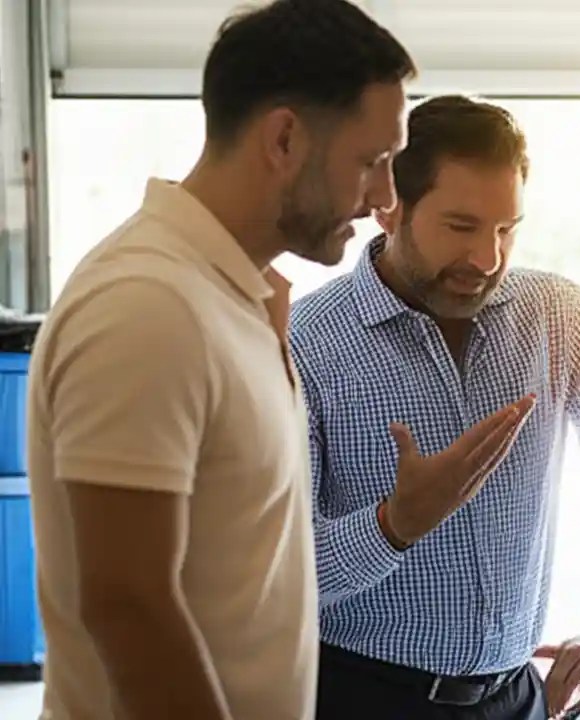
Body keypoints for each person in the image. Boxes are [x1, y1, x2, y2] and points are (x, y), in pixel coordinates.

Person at [23, 2, 432, 718]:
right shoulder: (149, 308)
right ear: (283, 138)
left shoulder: (237, 297)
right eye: (372, 162)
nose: (385, 199)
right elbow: (127, 605)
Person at [288, 95, 580, 720]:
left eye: (507, 229)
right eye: (461, 227)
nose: (487, 259)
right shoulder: (303, 344)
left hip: (520, 700)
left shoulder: (557, 316)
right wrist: (395, 525)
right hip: (357, 698)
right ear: (389, 208)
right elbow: (281, 571)